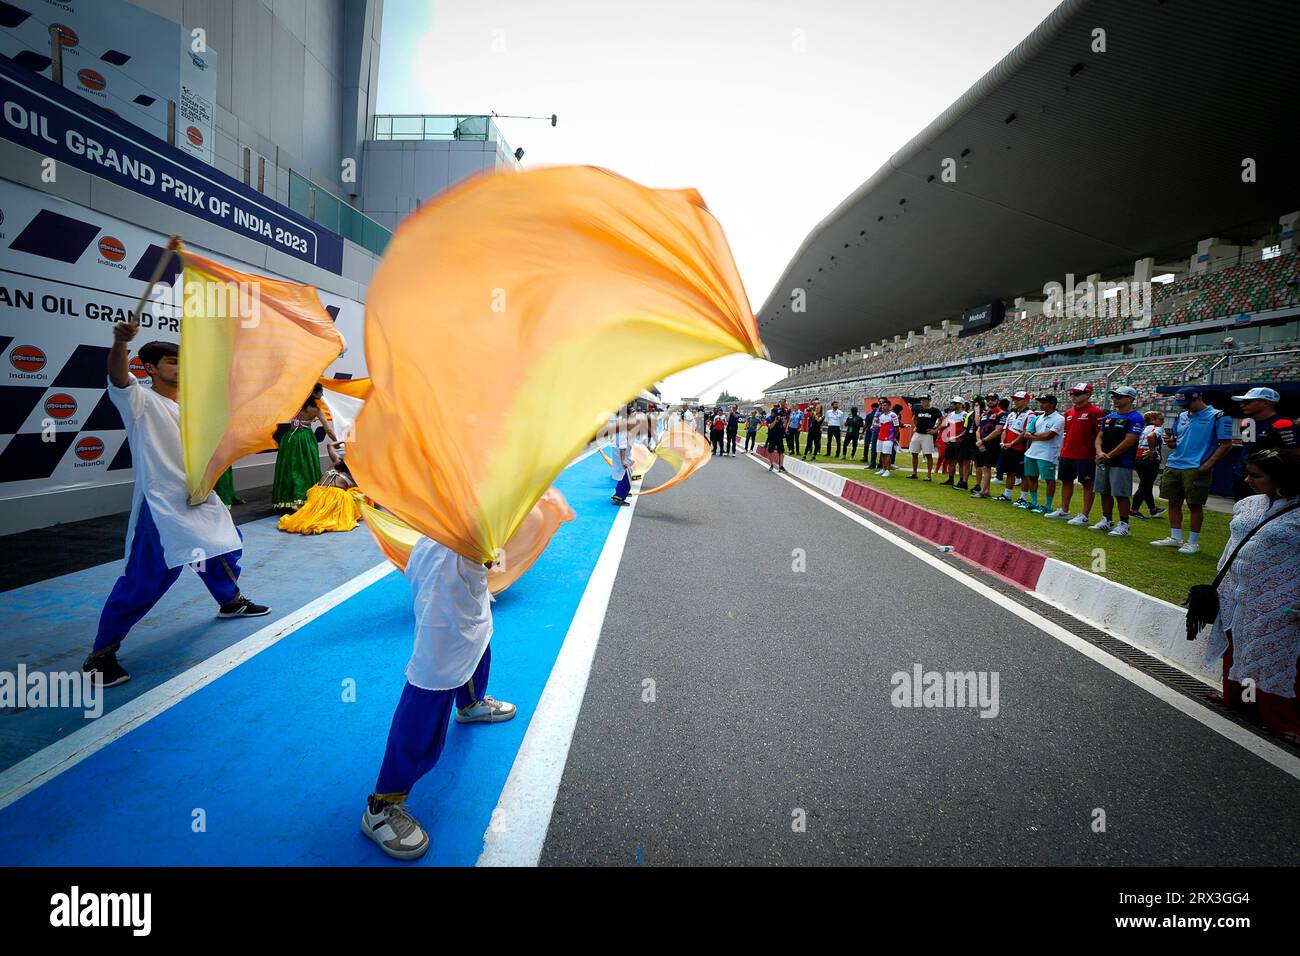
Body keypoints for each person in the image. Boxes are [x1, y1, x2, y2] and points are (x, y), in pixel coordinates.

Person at [82, 326, 270, 689]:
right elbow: (118, 376)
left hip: (201, 499)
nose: (181, 367)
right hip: (163, 506)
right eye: (172, 361)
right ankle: (100, 655)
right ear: (149, 368)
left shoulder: (193, 405)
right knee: (147, 579)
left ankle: (230, 602)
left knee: (225, 550)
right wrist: (121, 342)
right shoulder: (138, 400)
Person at [363, 536, 517, 859]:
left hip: (468, 551)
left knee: (476, 631)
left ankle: (471, 703)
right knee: (435, 670)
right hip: (447, 554)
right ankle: (383, 804)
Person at [1203, 450, 1300, 740]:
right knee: (1238, 645)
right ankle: (1239, 700)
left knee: (1275, 653)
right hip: (1237, 592)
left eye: (1257, 475)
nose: (1248, 480)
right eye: (1248, 473)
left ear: (1282, 478)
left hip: (1280, 599)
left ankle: (1284, 720)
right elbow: (1232, 543)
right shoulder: (1249, 504)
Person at [1151, 386, 1234, 554]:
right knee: (1173, 501)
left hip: (1196, 466)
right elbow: (1175, 443)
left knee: (1194, 504)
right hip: (1174, 464)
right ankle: (1175, 538)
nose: (1184, 407)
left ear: (1198, 398)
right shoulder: (1181, 416)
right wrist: (1170, 442)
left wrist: (1209, 464)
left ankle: (1193, 542)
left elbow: (1226, 444)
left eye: (1187, 403)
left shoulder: (1218, 416)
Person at [1090, 386, 1145, 536]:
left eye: (1119, 397)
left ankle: (1124, 524)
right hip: (1104, 460)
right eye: (1114, 397)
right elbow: (1100, 436)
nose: (1115, 399)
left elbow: (1130, 441)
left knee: (1120, 493)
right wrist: (1100, 452)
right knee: (1104, 491)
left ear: (1130, 399)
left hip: (1122, 461)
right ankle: (1107, 520)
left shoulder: (1135, 417)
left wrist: (1108, 455)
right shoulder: (1110, 417)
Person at [273, 384, 334, 510]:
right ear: (314, 393)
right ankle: (301, 499)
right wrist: (338, 441)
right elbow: (328, 430)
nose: (322, 395)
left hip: (290, 439)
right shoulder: (316, 410)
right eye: (321, 392)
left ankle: (288, 499)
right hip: (305, 439)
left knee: (290, 468)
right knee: (305, 468)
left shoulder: (296, 405)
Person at [1049, 383, 1103, 524]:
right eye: (1072, 394)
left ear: (1088, 394)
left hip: (1085, 455)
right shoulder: (1068, 412)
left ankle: (1085, 515)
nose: (1073, 396)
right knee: (1066, 481)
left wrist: (1098, 452)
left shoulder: (1095, 412)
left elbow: (1100, 435)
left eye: (1077, 394)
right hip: (1067, 453)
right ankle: (1064, 510)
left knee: (1087, 484)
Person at [278, 460, 365, 535]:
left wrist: (340, 442)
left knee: (314, 510)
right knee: (355, 494)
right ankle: (323, 515)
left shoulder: (331, 468)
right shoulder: (350, 476)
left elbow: (329, 446)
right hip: (335, 495)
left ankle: (305, 510)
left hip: (318, 492)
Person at [1230, 387, 1285, 501]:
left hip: (1267, 482)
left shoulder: (1282, 424)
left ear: (1266, 403)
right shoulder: (1247, 423)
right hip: (1242, 476)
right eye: (1242, 402)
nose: (1242, 405)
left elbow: (1292, 453)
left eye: (1247, 402)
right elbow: (1247, 448)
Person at [1022, 394, 1064, 514]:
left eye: (1044, 402)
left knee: (1049, 479)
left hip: (1048, 453)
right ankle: (1034, 502)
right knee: (1031, 476)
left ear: (1052, 404)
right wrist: (1034, 435)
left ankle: (1048, 505)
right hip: (1032, 452)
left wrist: (1033, 436)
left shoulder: (1059, 419)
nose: (1041, 404)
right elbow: (1027, 433)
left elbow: (1048, 436)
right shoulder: (1038, 417)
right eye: (1041, 402)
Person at [997, 393, 1031, 504]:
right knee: (1009, 471)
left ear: (1026, 401)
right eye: (1014, 399)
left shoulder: (1030, 414)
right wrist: (1003, 442)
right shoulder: (1011, 414)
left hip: (1021, 448)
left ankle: (1023, 497)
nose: (1015, 401)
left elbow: (1026, 432)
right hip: (1008, 447)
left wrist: (1011, 443)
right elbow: (1005, 429)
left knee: (1023, 473)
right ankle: (1007, 494)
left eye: (1018, 399)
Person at [1131, 410, 1166, 519]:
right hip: (1148, 460)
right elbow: (1151, 437)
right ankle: (1134, 511)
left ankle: (1153, 510)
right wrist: (1152, 451)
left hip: (1138, 458)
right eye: (1161, 419)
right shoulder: (1157, 429)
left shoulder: (1142, 429)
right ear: (1153, 420)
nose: (1163, 421)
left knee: (1147, 485)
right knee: (1145, 486)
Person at [971, 397, 1006, 499]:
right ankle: (987, 491)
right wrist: (980, 442)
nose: (990, 401)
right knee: (983, 467)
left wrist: (983, 441)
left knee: (986, 467)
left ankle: (983, 491)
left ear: (997, 401)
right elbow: (978, 427)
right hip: (981, 444)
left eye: (992, 399)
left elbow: (998, 430)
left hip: (992, 444)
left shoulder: (1001, 414)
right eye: (988, 400)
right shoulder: (985, 414)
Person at [907, 396, 939, 480]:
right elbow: (914, 418)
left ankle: (928, 475)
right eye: (922, 400)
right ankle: (914, 473)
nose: (922, 401)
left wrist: (935, 430)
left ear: (929, 401)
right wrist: (915, 426)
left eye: (924, 400)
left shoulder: (934, 410)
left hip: (927, 434)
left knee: (928, 454)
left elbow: (942, 420)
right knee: (914, 452)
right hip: (918, 433)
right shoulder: (918, 409)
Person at [939, 397, 966, 486]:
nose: (953, 405)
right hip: (950, 441)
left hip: (960, 441)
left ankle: (962, 480)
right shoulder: (950, 415)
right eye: (953, 403)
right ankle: (951, 479)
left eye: (956, 403)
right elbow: (944, 424)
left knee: (961, 462)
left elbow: (967, 428)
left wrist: (960, 436)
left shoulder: (965, 415)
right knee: (950, 461)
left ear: (961, 404)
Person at [875, 403, 902, 476]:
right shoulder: (881, 416)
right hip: (881, 437)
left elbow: (896, 427)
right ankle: (883, 469)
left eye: (885, 405)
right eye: (882, 405)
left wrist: (894, 437)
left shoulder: (893, 415)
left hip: (889, 437)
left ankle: (888, 470)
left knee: (887, 454)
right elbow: (880, 426)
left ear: (889, 406)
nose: (883, 407)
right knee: (882, 453)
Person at [765, 406, 787, 472]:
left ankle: (781, 466)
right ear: (772, 413)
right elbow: (770, 427)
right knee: (770, 451)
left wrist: (784, 422)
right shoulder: (769, 418)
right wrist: (775, 421)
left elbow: (783, 426)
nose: (777, 415)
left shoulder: (780, 418)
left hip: (779, 436)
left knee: (781, 451)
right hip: (772, 437)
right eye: (776, 413)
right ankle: (771, 465)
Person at [865, 403, 881, 468]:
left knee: (880, 449)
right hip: (871, 431)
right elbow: (867, 424)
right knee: (871, 447)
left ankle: (880, 464)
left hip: (879, 432)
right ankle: (871, 463)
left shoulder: (882, 414)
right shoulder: (870, 415)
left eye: (876, 407)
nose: (875, 408)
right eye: (874, 407)